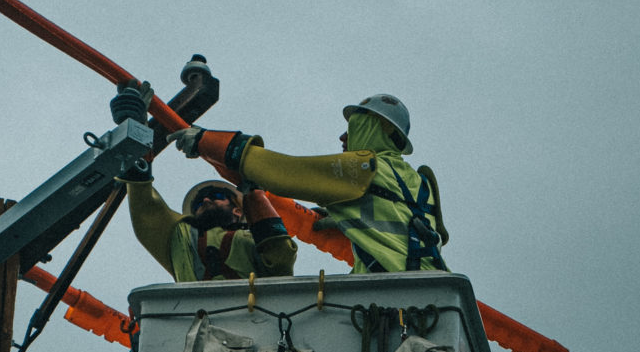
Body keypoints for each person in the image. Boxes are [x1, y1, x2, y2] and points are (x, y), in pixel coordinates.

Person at [171, 93, 449, 275]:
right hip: (431, 288)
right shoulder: (417, 180)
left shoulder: (364, 168)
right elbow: (401, 221)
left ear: (373, 127)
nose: (342, 138)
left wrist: (208, 142)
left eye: (352, 128)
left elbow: (282, 172)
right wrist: (344, 217)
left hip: (396, 294)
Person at [110, 84, 297, 282]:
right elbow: (145, 204)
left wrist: (254, 193)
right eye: (198, 203)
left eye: (217, 196)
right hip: (197, 311)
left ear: (238, 211)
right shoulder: (180, 237)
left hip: (252, 311)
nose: (206, 200)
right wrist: (135, 133)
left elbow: (281, 259)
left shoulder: (257, 241)